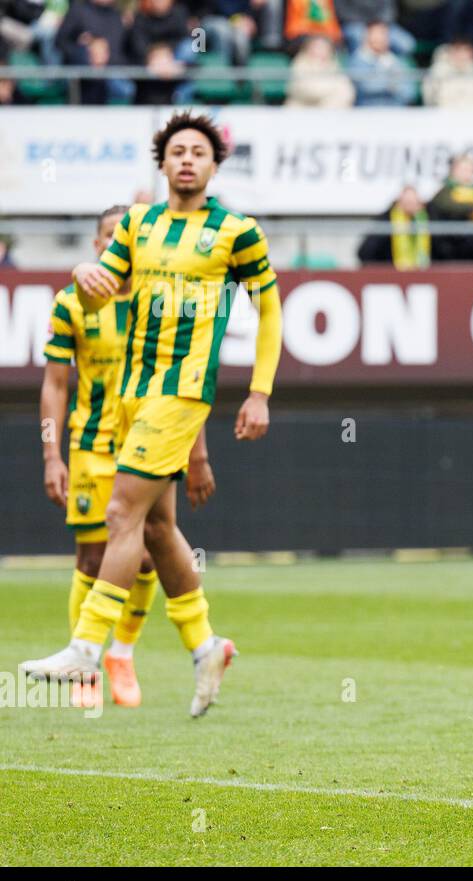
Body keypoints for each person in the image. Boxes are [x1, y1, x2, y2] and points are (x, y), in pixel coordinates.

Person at [21, 111, 283, 719]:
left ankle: (87, 647)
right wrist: (82, 272)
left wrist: (259, 391)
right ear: (161, 163)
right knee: (159, 529)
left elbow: (268, 311)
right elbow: (99, 288)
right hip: (129, 396)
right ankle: (206, 646)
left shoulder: (236, 231)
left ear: (214, 166)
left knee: (120, 513)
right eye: (177, 151)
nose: (187, 159)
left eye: (199, 152)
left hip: (181, 392)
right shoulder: (137, 225)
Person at [39, 204, 216, 709]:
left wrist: (198, 451)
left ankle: (120, 652)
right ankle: (86, 670)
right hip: (91, 443)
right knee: (94, 557)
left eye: (127, 237)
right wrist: (52, 454)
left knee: (144, 554)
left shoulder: (162, 303)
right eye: (109, 237)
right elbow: (54, 385)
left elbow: (186, 380)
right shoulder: (71, 303)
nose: (118, 244)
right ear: (98, 247)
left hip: (152, 439)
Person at [357, 185, 431, 268]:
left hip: (423, 273)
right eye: (407, 203)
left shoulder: (429, 220)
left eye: (414, 203)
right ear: (398, 203)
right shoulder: (386, 221)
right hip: (392, 274)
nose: (410, 207)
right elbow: (365, 252)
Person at [349, 19, 417, 106]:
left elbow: (409, 92)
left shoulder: (396, 61)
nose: (380, 38)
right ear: (366, 36)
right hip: (368, 113)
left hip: (396, 113)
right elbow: (366, 87)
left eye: (383, 33)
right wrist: (391, 82)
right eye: (375, 34)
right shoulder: (357, 60)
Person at [285, 33, 356, 108]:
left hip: (329, 112)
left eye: (324, 47)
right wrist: (331, 90)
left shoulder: (334, 65)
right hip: (302, 110)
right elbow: (309, 91)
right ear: (308, 48)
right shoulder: (299, 64)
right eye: (318, 47)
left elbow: (347, 91)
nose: (321, 50)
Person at [421, 36, 473, 108]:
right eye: (459, 50)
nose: (462, 55)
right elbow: (430, 100)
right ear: (451, 51)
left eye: (466, 51)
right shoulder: (437, 73)